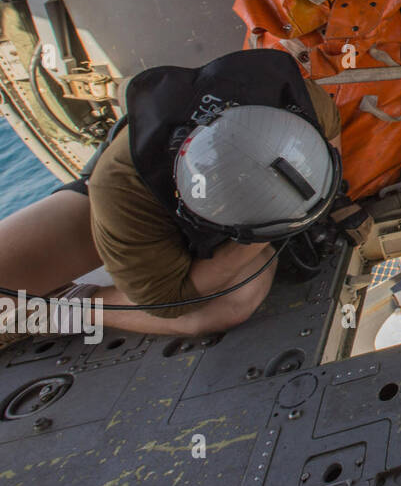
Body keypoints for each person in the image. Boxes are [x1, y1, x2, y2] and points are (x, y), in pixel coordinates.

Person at [0, 48, 342, 338]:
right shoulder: (123, 192)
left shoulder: (297, 100)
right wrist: (262, 236)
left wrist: (314, 207)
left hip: (237, 220)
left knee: (233, 303)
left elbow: (331, 141)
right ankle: (73, 307)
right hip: (139, 211)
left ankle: (77, 309)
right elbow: (169, 298)